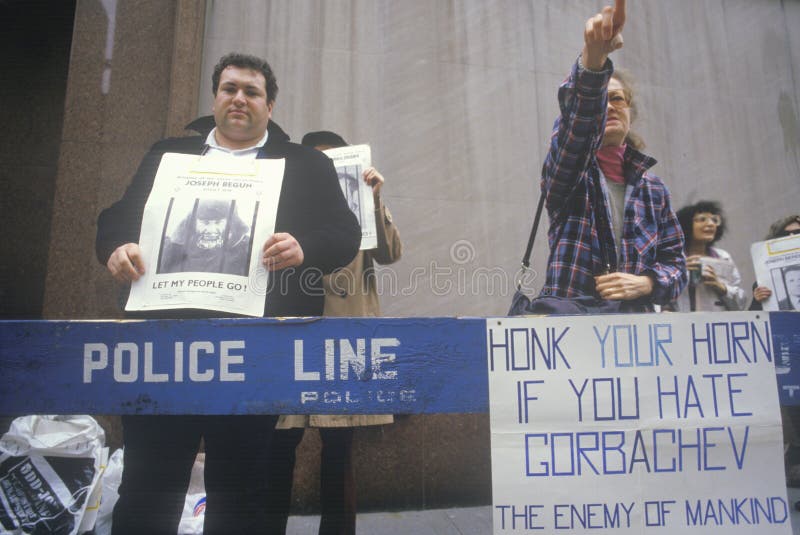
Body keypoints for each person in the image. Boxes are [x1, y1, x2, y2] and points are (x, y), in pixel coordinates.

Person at [95, 53, 360, 534]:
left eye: (252, 91)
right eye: (229, 88)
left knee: (242, 494)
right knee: (147, 488)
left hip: (253, 355)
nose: (239, 98)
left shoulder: (304, 164)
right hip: (165, 350)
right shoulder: (167, 156)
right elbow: (115, 219)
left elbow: (344, 233)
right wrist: (117, 248)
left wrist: (306, 246)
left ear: (270, 105)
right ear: (215, 98)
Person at [264, 130, 402, 535]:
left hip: (345, 338)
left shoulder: (358, 207)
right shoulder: (284, 202)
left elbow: (391, 253)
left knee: (340, 449)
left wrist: (375, 198)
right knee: (279, 445)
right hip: (291, 336)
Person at [539, 0, 686, 311]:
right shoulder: (570, 171)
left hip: (637, 334)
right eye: (601, 99)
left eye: (617, 98)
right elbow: (575, 129)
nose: (608, 106)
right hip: (572, 331)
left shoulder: (654, 189)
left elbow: (676, 264)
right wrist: (593, 60)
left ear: (630, 110)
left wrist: (646, 283)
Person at [667, 201, 745, 312]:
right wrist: (678, 275)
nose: (711, 224)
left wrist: (721, 287)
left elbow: (740, 304)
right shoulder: (672, 259)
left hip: (718, 325)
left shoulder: (723, 257)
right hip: (684, 326)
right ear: (686, 224)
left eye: (714, 220)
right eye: (702, 219)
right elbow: (659, 299)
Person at [158, 198, 252, 275]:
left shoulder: (247, 248)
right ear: (194, 223)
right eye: (205, 223)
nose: (211, 230)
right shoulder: (171, 249)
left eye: (218, 223)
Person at [749, 215, 800, 310]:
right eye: (785, 234)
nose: (792, 237)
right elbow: (756, 320)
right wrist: (758, 301)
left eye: (797, 233)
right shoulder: (764, 283)